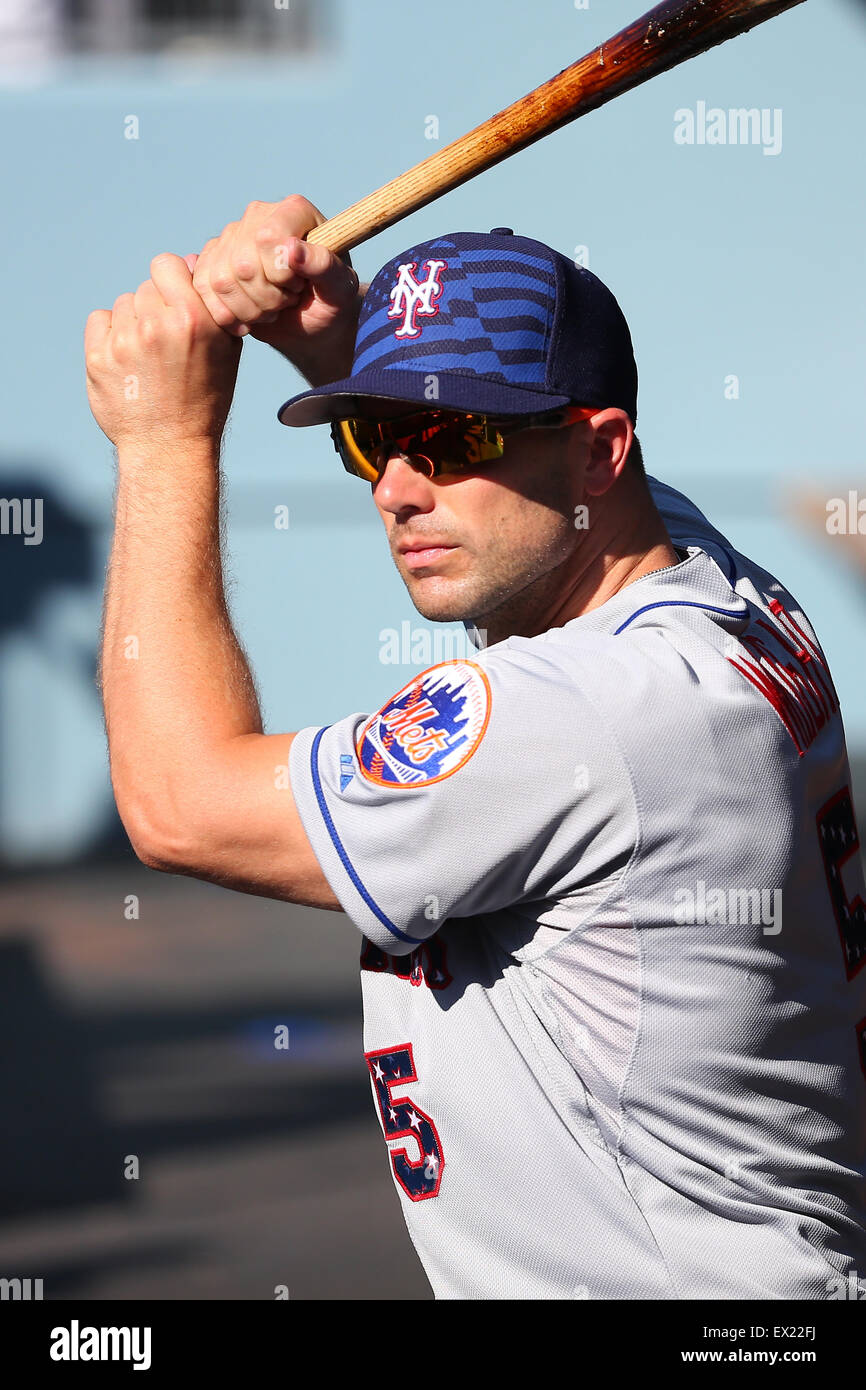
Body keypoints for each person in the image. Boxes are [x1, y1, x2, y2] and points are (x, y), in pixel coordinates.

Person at [85, 194, 866, 1300]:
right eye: (373, 437)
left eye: (454, 440)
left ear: (598, 454)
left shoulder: (586, 712)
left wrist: (163, 440)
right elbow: (520, 480)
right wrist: (340, 336)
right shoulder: (709, 586)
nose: (396, 491)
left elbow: (177, 802)